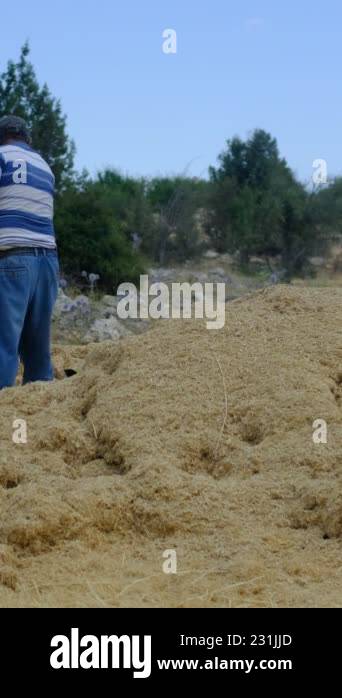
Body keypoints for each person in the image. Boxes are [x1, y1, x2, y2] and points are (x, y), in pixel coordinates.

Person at [0, 115, 59, 389]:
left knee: (4, 343)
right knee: (37, 344)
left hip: (14, 260)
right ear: (27, 138)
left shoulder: (2, 156)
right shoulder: (45, 167)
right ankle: (43, 409)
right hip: (47, 261)